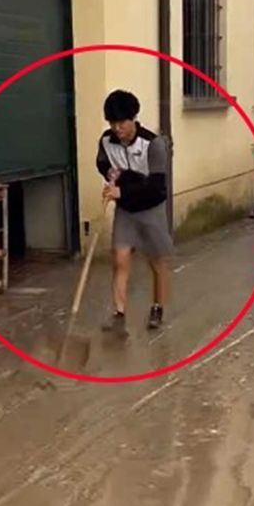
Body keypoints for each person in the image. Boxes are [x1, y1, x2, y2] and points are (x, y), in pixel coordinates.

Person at [95, 90, 173, 333]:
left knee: (157, 262)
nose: (116, 128)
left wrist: (123, 193)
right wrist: (110, 174)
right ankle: (119, 314)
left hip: (151, 210)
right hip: (126, 212)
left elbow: (158, 189)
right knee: (119, 261)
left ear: (133, 119)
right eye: (112, 123)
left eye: (121, 122)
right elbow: (102, 162)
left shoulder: (154, 145)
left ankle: (158, 308)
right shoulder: (106, 141)